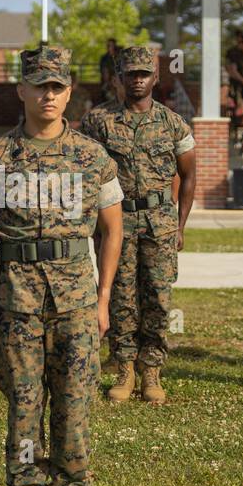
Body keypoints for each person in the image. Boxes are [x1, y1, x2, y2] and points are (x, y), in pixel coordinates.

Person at [0, 46, 123, 486]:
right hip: (17, 302)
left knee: (74, 404)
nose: (48, 95)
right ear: (22, 91)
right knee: (24, 404)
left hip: (75, 302)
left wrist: (102, 302)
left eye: (57, 87)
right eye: (39, 85)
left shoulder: (92, 156)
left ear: (69, 93)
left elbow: (112, 232)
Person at [81, 45, 196, 405]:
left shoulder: (173, 123)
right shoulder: (97, 122)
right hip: (117, 223)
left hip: (159, 223)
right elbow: (86, 177)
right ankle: (125, 368)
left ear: (155, 78)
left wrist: (180, 225)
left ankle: (152, 371)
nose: (137, 80)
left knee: (159, 298)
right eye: (130, 74)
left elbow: (189, 175)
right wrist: (93, 226)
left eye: (144, 74)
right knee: (120, 297)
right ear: (118, 79)